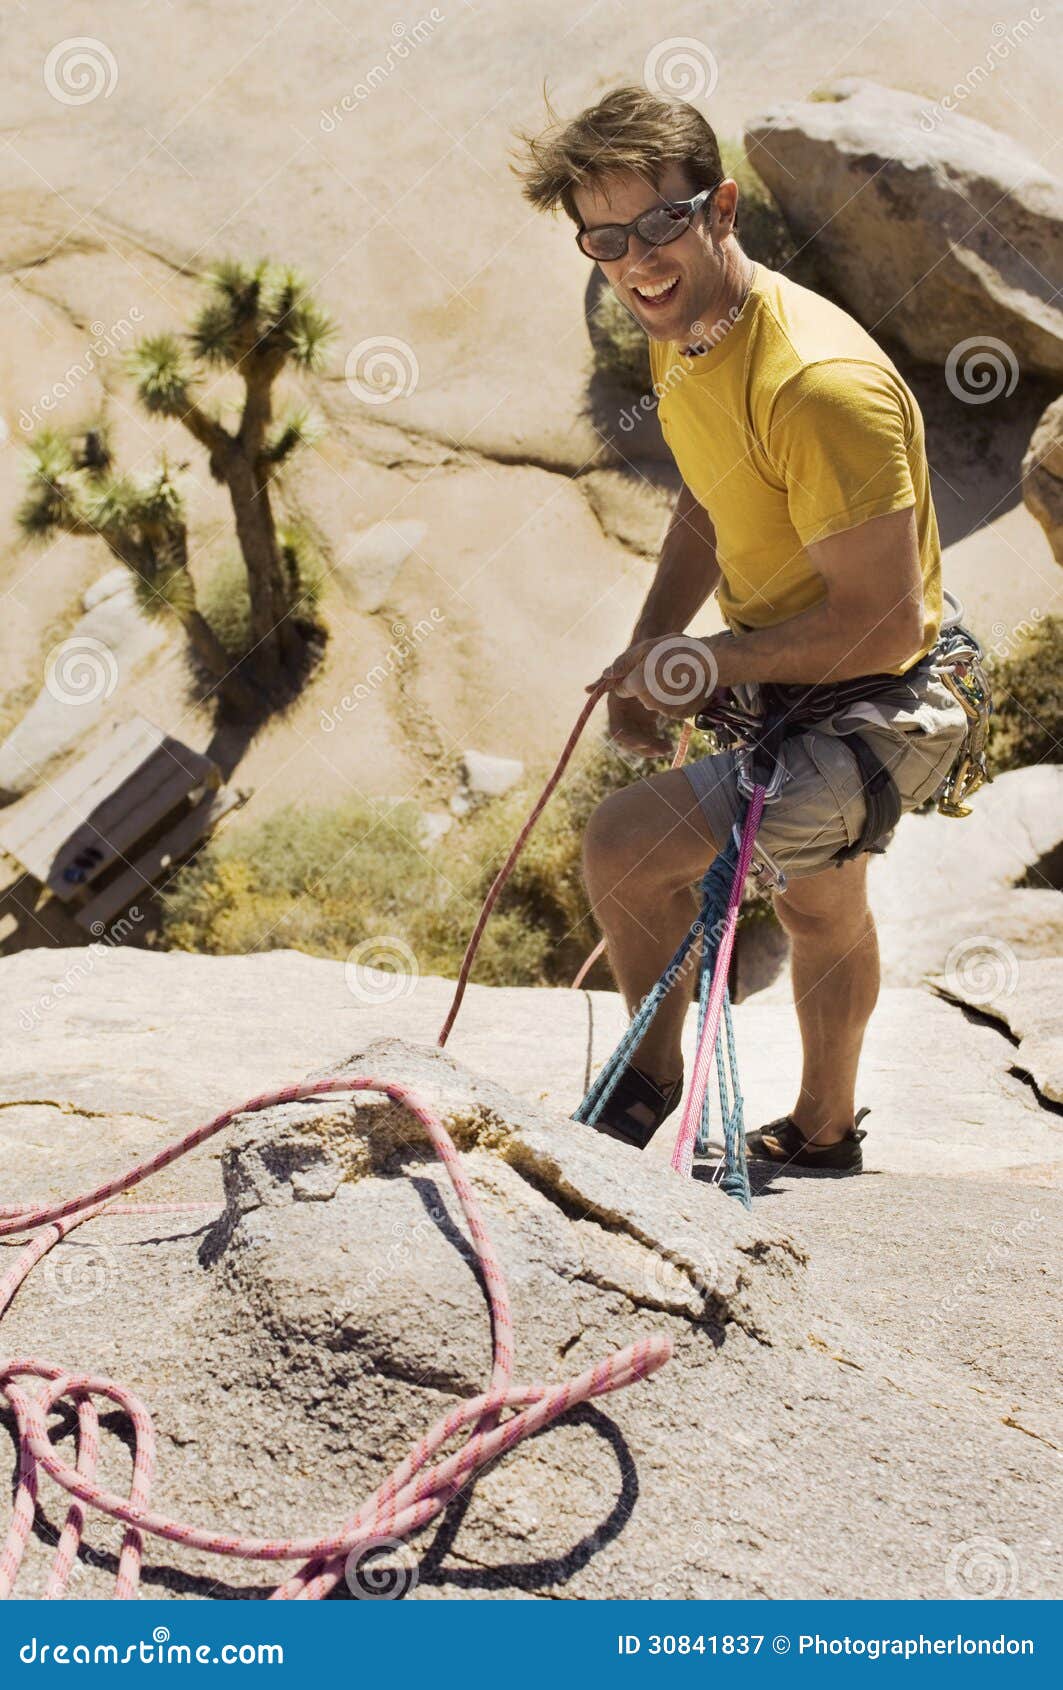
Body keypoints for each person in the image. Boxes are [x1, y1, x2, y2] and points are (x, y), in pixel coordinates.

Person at [512, 85, 971, 1175]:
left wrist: (701, 662)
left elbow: (882, 623)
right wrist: (650, 646)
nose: (637, 261)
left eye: (659, 223)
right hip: (799, 680)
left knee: (625, 846)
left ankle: (647, 1078)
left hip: (880, 700)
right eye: (605, 239)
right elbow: (710, 496)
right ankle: (823, 1131)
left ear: (720, 207)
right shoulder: (685, 332)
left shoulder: (815, 385)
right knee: (819, 910)